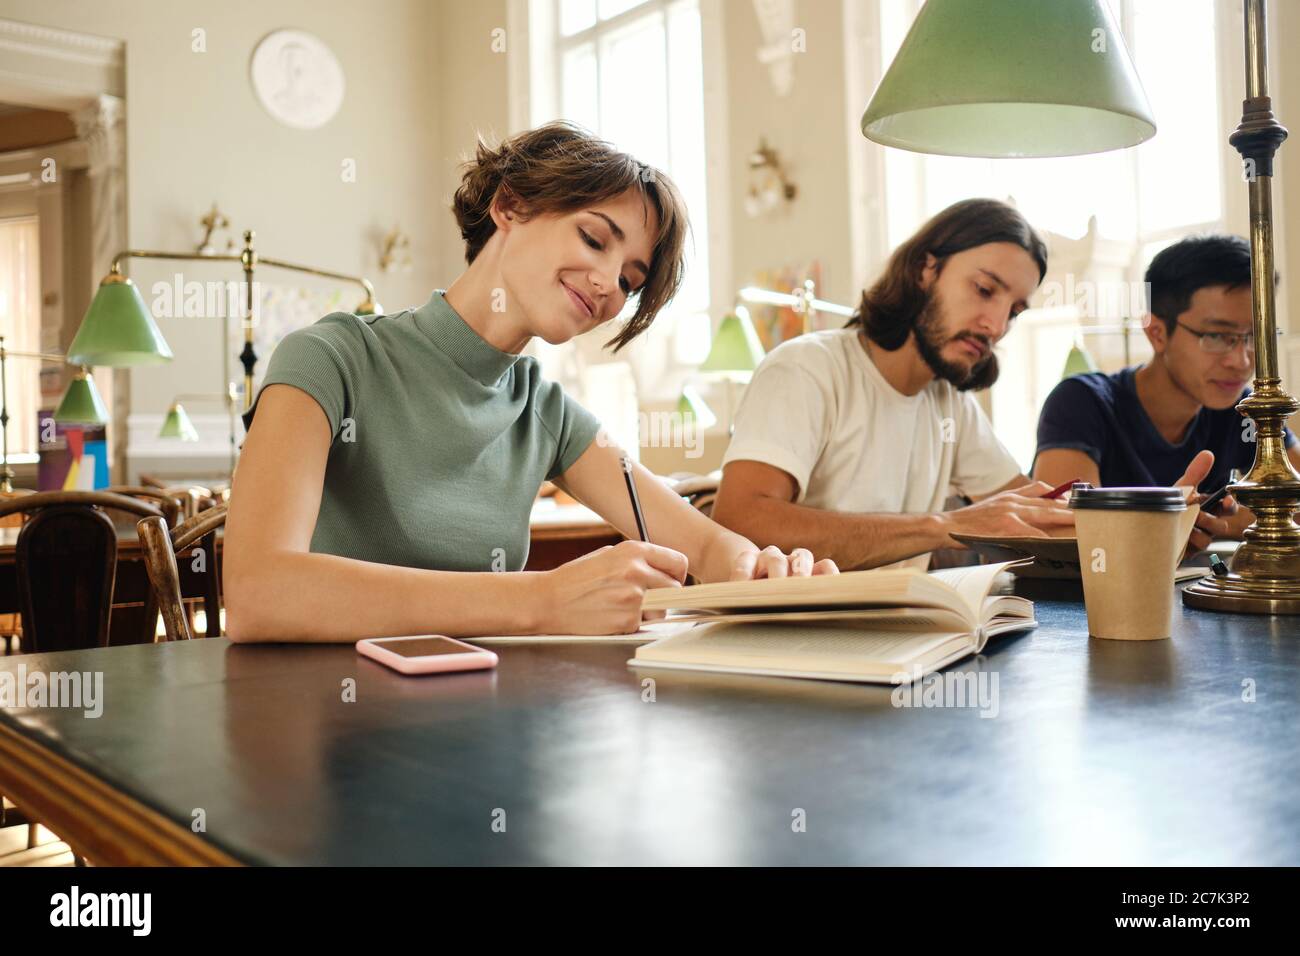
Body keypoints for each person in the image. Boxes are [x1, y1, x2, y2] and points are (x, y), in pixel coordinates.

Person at [223, 122, 836, 643]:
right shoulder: (330, 359)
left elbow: (705, 548)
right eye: (594, 239)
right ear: (510, 205)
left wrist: (771, 573)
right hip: (326, 736)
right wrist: (543, 600)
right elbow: (259, 590)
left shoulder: (544, 411)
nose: (606, 285)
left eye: (629, 280)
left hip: (481, 728)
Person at [711, 198, 1075, 571]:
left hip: (908, 626)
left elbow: (1030, 514)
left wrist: (1103, 519)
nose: (996, 326)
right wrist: (946, 526)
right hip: (802, 628)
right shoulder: (806, 369)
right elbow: (739, 521)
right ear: (925, 269)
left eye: (1014, 312)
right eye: (984, 289)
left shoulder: (950, 403)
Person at [1033, 234, 1299, 551]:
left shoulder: (1243, 411)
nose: (1241, 360)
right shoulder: (1082, 402)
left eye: (1255, 337)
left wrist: (1223, 523)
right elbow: (1062, 532)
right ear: (1157, 333)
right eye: (1216, 336)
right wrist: (1165, 528)